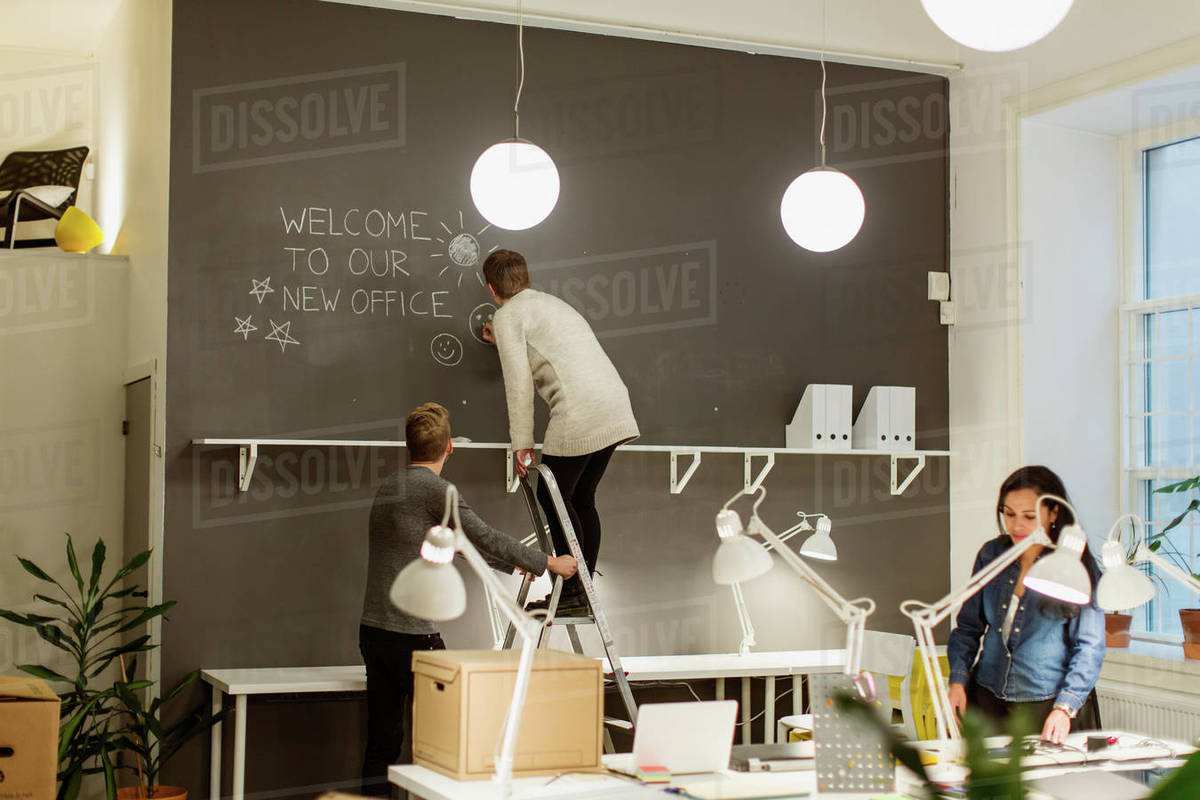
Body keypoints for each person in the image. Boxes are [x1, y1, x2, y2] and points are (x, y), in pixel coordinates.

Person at [358, 402, 577, 796]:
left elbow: (448, 544)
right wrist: (549, 562)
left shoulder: (391, 487)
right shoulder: (438, 491)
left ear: (410, 446)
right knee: (445, 743)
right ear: (450, 448)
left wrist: (513, 568)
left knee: (382, 743)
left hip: (374, 633)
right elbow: (483, 535)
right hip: (413, 639)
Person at [480, 249, 639, 617]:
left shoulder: (507, 316)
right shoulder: (554, 305)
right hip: (614, 404)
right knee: (581, 497)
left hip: (579, 410)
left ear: (491, 288)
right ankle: (581, 593)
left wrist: (522, 445)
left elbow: (518, 386)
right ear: (526, 277)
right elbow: (553, 352)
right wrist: (501, 341)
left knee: (551, 496)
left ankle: (572, 593)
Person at [946, 465, 1105, 744]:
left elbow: (1089, 648)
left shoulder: (1074, 569)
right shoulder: (991, 555)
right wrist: (957, 680)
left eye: (1029, 517)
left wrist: (1065, 708)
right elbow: (968, 627)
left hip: (1046, 707)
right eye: (1009, 514)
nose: (1017, 525)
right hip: (987, 700)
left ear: (1053, 513)